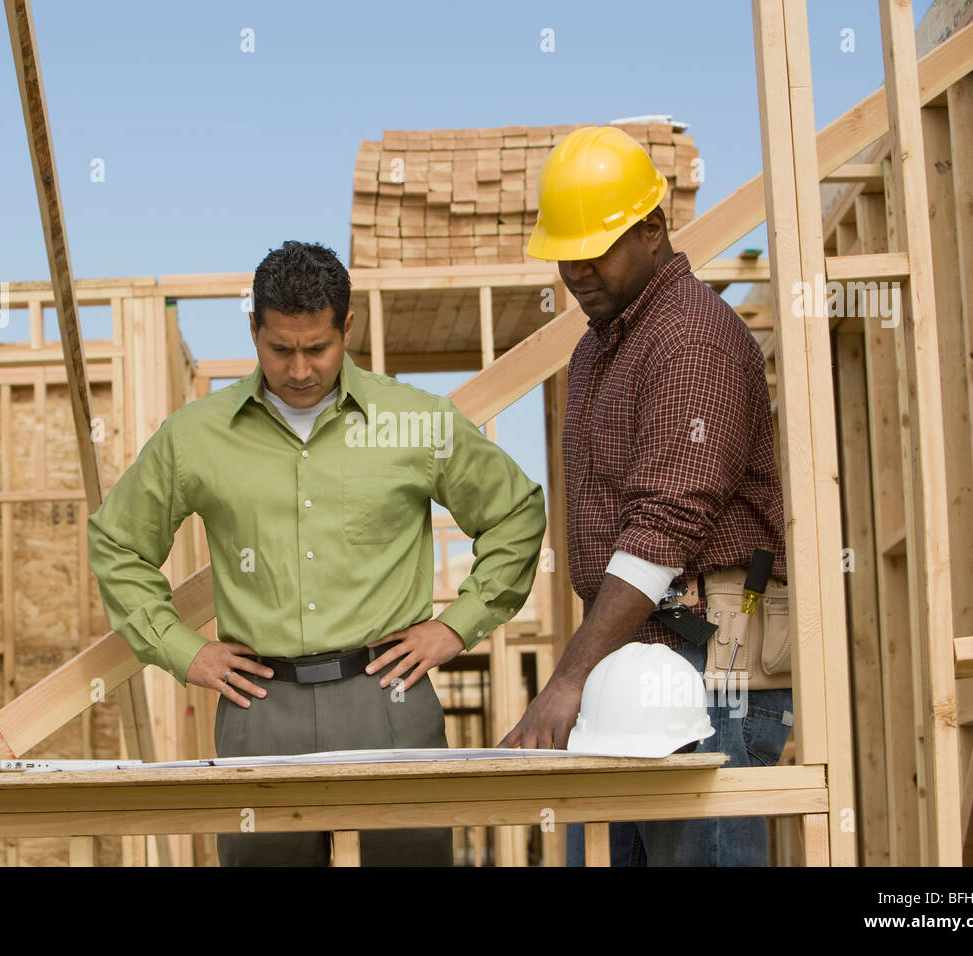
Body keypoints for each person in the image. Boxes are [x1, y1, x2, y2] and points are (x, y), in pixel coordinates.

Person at [89, 240, 546, 866]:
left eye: (317, 348)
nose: (299, 369)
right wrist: (182, 649)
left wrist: (455, 627)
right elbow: (118, 543)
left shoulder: (415, 422)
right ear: (253, 329)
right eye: (280, 349)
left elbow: (516, 513)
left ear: (347, 327)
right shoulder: (193, 438)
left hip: (387, 697)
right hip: (259, 709)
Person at [499, 126, 793, 866]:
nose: (574, 269)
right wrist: (588, 673)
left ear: (654, 229)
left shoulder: (691, 339)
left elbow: (663, 529)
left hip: (707, 664)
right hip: (631, 663)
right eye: (563, 252)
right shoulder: (602, 344)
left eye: (593, 249)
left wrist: (565, 681)